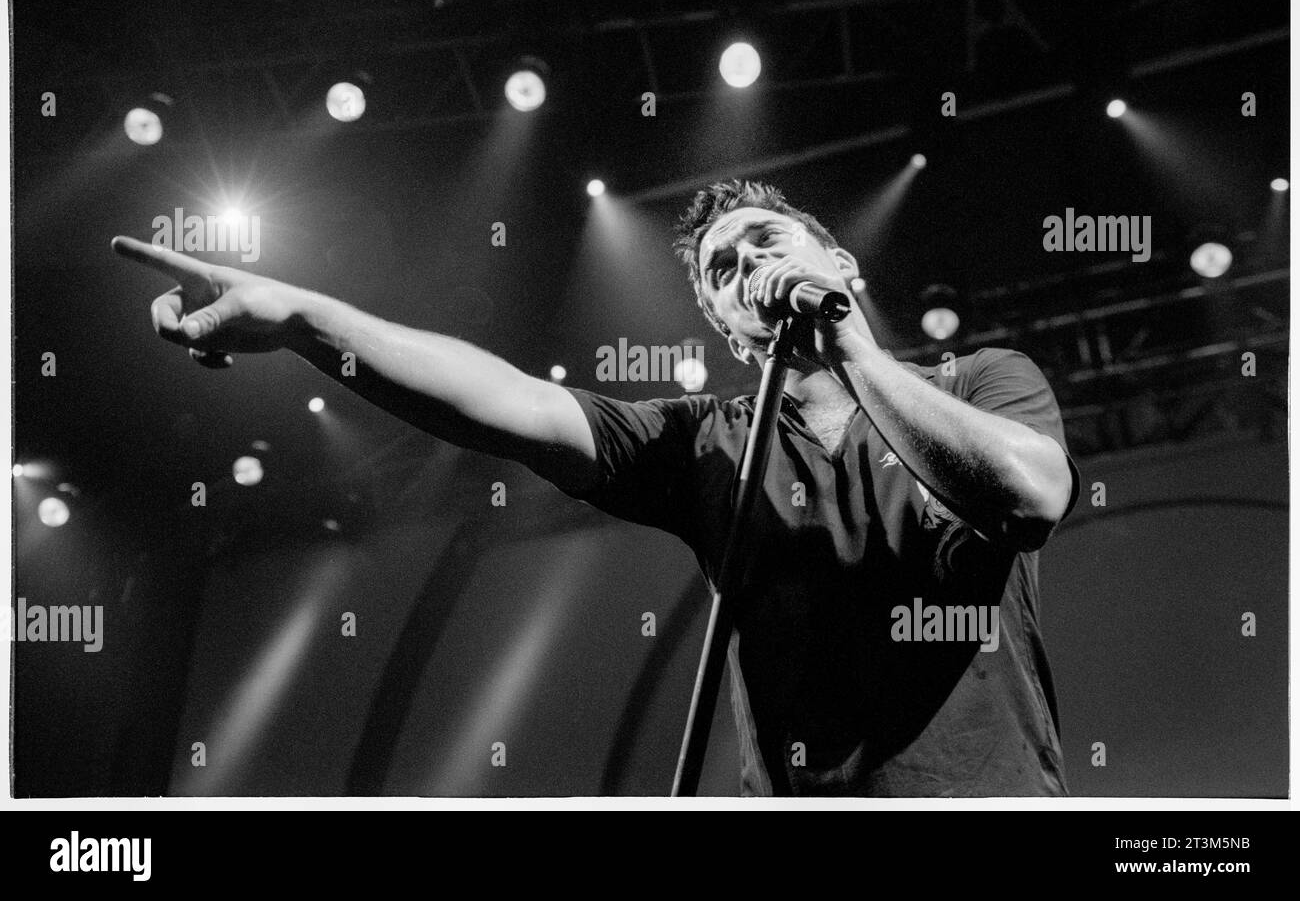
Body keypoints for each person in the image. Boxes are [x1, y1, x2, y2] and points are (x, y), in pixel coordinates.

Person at [114, 177, 1079, 796]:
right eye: (725, 270)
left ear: (839, 262)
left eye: (768, 240)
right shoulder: (705, 444)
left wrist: (851, 348)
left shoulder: (981, 382)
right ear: (725, 326)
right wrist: (301, 317)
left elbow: (1028, 497)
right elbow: (505, 401)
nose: (752, 266)